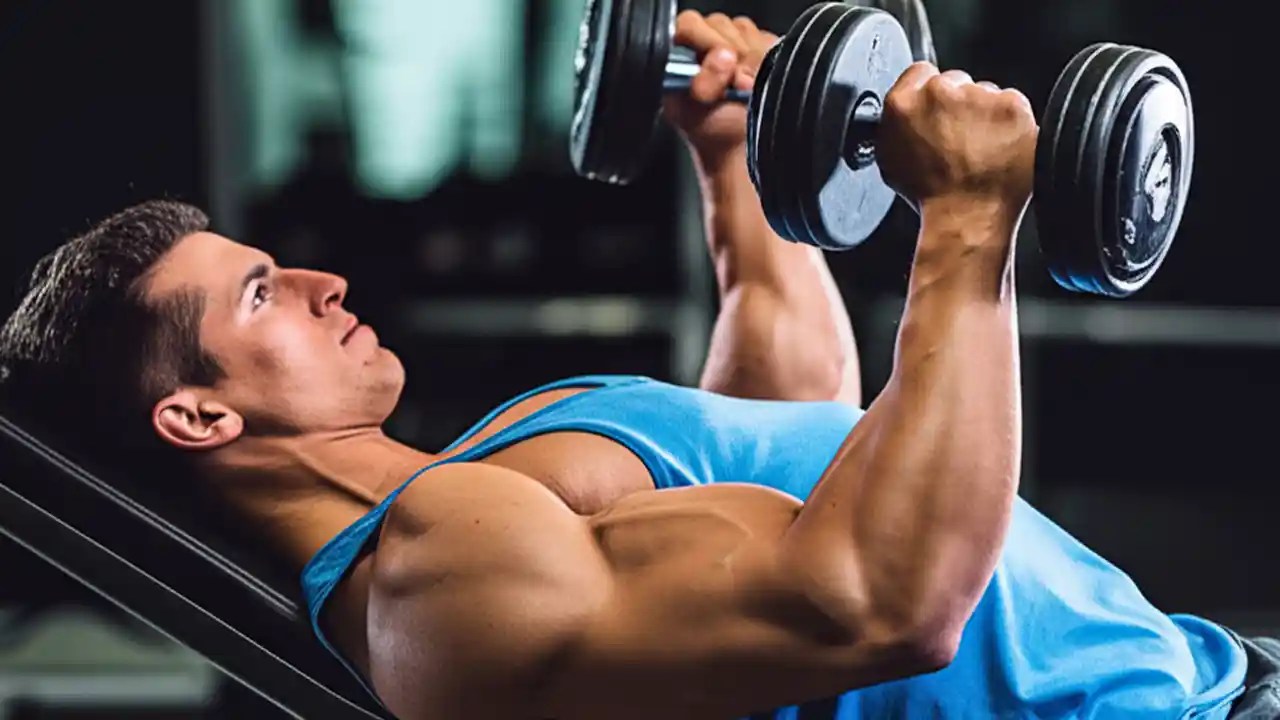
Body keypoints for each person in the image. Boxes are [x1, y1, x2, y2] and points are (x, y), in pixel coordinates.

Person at [0, 10, 1275, 720]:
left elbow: (789, 431)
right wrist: (967, 223)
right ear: (194, 414)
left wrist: (730, 161)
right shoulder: (436, 583)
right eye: (265, 293)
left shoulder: (484, 479)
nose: (328, 285)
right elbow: (879, 600)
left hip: (1205, 665)